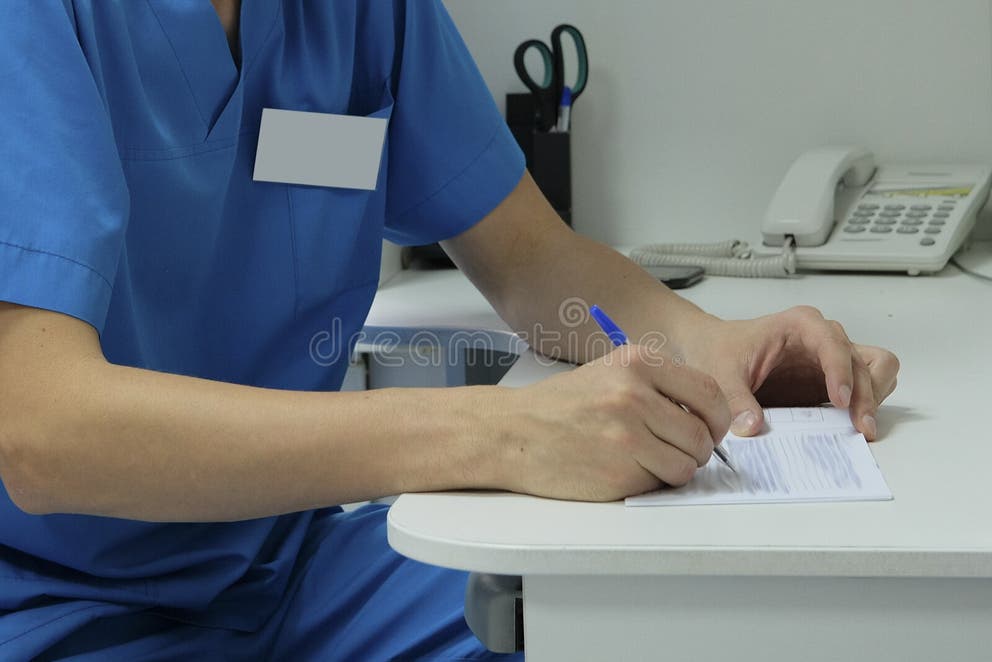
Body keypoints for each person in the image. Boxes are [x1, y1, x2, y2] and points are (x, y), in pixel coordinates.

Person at [0, 1, 899, 659]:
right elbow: (43, 433)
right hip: (63, 605)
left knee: (637, 626)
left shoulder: (361, 14)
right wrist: (502, 434)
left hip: (294, 565)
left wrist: (703, 345)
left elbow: (529, 261)